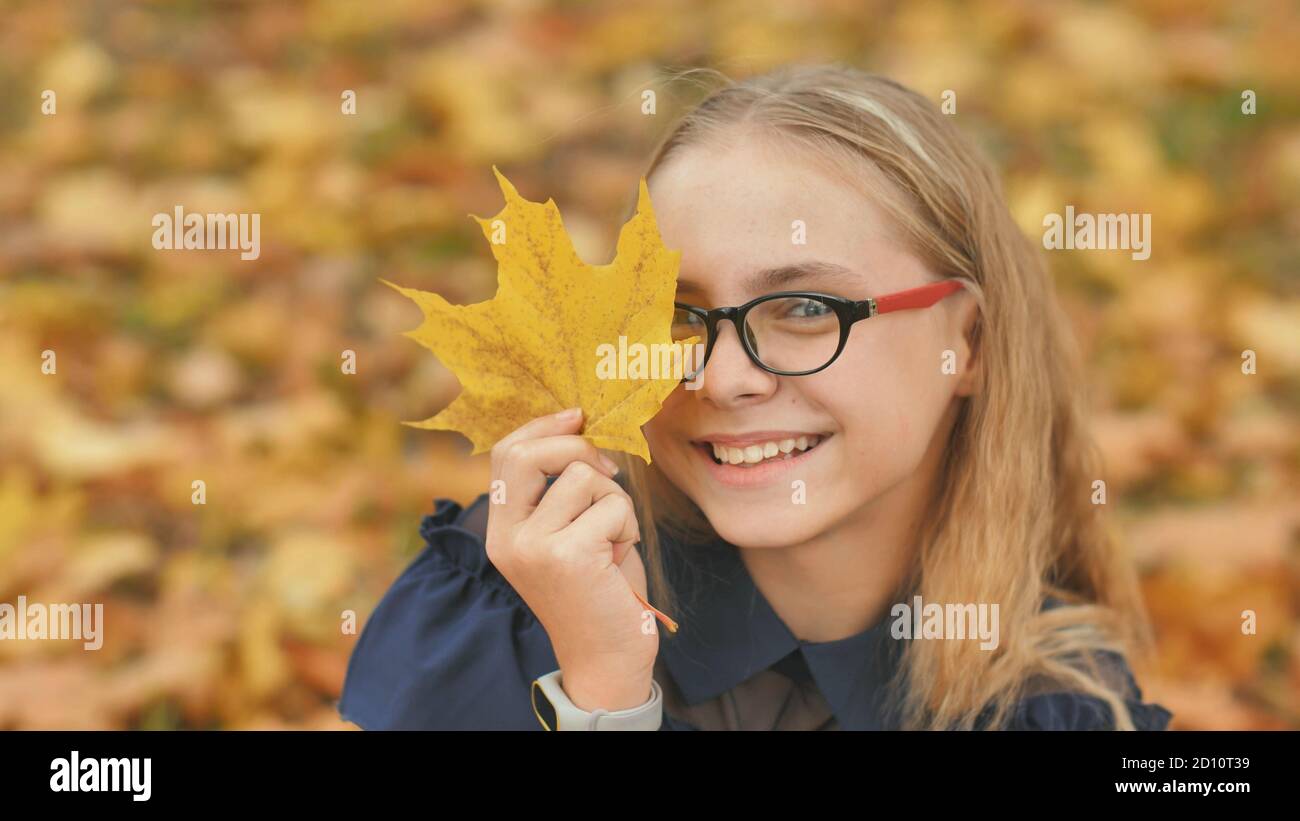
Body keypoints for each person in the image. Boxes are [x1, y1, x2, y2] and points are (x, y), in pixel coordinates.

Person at [338, 65, 1173, 731]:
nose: (725, 376)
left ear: (970, 345)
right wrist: (603, 692)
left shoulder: (1051, 706)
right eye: (678, 312)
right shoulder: (510, 608)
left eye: (806, 308)